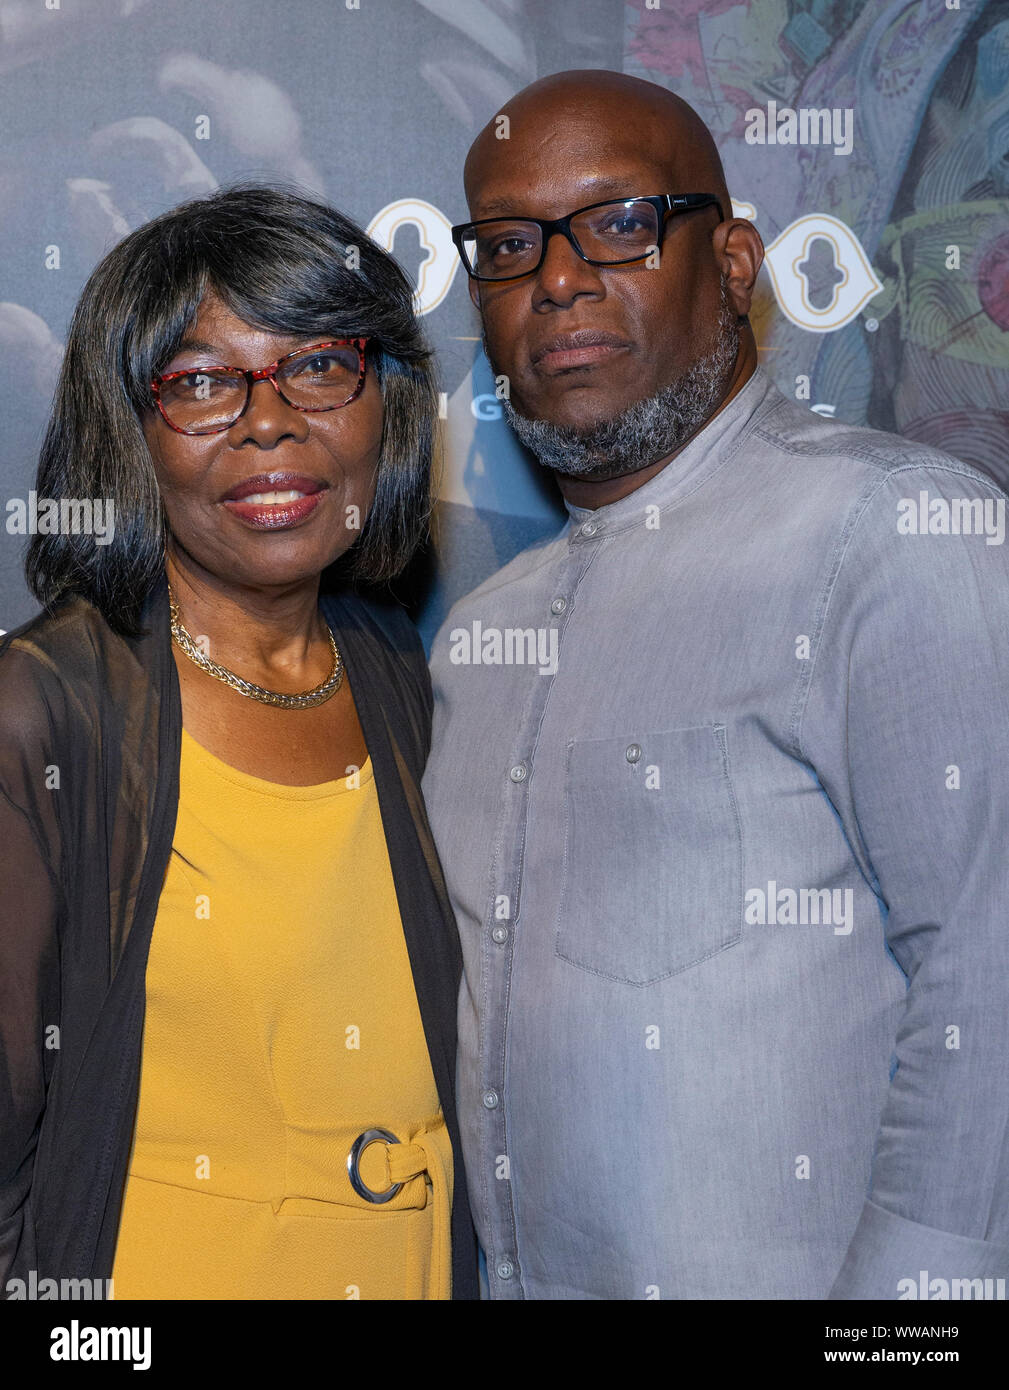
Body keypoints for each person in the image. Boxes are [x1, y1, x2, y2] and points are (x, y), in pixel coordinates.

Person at [422, 69, 1009, 1299]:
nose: (560, 279)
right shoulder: (473, 641)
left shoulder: (892, 532)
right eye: (511, 244)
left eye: (622, 222)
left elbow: (986, 978)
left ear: (735, 263)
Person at [0, 182, 477, 1301]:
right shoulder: (41, 710)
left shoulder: (399, 668)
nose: (271, 423)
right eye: (203, 383)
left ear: (386, 407)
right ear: (129, 428)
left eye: (318, 367)